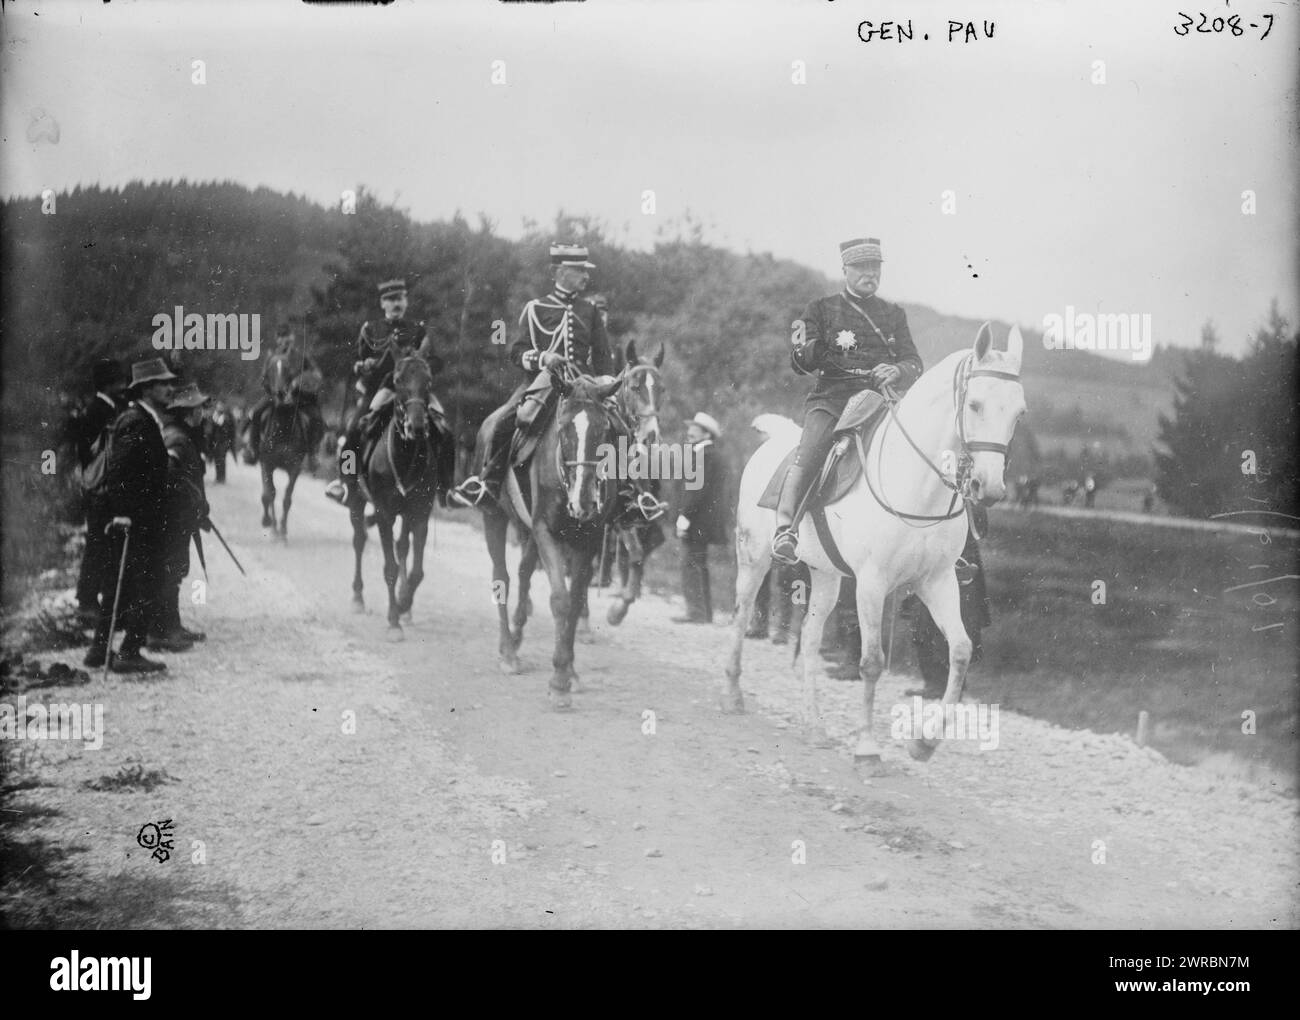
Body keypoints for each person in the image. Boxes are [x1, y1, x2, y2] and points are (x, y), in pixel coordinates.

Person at [772, 237, 923, 565]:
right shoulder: (819, 309)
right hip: (833, 400)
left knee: (925, 451)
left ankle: (939, 545)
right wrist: (816, 348)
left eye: (874, 267)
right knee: (811, 452)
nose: (869, 274)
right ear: (845, 270)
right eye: (861, 267)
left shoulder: (893, 314)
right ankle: (786, 527)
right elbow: (798, 360)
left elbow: (914, 362)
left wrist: (896, 370)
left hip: (882, 402)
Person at [449, 243, 613, 508]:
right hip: (544, 381)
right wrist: (544, 358)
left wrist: (607, 386)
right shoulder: (535, 309)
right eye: (579, 270)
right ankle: (488, 484)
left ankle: (629, 496)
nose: (586, 276)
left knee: (618, 424)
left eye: (585, 270)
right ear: (559, 272)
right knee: (505, 422)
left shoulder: (591, 311)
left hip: (583, 384)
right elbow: (517, 352)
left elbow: (604, 356)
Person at [84, 358, 178, 673]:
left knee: (119, 586)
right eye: (162, 384)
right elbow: (122, 470)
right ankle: (129, 651)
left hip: (138, 517)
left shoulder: (139, 418)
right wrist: (123, 513)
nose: (169, 388)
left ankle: (99, 650)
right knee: (145, 584)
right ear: (146, 389)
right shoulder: (137, 421)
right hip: (138, 519)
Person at [325, 279, 447, 505]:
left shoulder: (418, 330)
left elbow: (438, 361)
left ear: (406, 301)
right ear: (382, 303)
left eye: (400, 298)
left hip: (414, 393)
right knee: (353, 432)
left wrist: (424, 364)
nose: (396, 304)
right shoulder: (370, 329)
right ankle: (346, 483)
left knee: (444, 430)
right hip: (380, 390)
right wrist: (363, 365)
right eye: (391, 300)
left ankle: (445, 489)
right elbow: (355, 359)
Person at [152, 381, 212, 651]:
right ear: (189, 411)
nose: (203, 412)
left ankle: (172, 626)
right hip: (174, 516)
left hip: (180, 516)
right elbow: (170, 474)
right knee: (171, 569)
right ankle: (162, 631)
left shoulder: (182, 435)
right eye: (199, 408)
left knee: (175, 569)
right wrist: (190, 501)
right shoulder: (177, 438)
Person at [74, 358, 128, 625]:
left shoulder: (101, 408)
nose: (123, 386)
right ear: (107, 384)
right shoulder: (100, 411)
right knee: (98, 544)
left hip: (98, 486)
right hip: (100, 487)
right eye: (119, 382)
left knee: (101, 544)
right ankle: (87, 602)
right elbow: (90, 452)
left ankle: (91, 600)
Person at [245, 324, 325, 470]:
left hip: (298, 398)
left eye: (288, 339)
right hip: (275, 396)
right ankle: (253, 450)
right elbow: (264, 379)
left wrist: (298, 382)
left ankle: (312, 455)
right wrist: (272, 390)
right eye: (282, 339)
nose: (285, 342)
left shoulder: (301, 356)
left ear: (292, 338)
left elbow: (316, 374)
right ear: (277, 340)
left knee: (316, 418)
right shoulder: (271, 357)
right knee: (256, 413)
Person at [673, 412, 728, 624]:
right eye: (690, 430)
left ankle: (697, 613)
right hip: (699, 520)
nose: (690, 433)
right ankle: (703, 612)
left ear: (707, 434)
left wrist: (684, 516)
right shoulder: (704, 453)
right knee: (697, 563)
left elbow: (697, 490)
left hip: (697, 520)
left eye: (695, 430)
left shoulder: (706, 455)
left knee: (691, 563)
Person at [204, 398, 237, 483]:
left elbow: (232, 429)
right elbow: (210, 429)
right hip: (215, 441)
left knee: (222, 459)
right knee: (216, 459)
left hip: (224, 441)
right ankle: (218, 477)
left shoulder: (228, 416)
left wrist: (231, 441)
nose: (220, 407)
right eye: (219, 405)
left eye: (222, 405)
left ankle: (222, 478)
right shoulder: (213, 415)